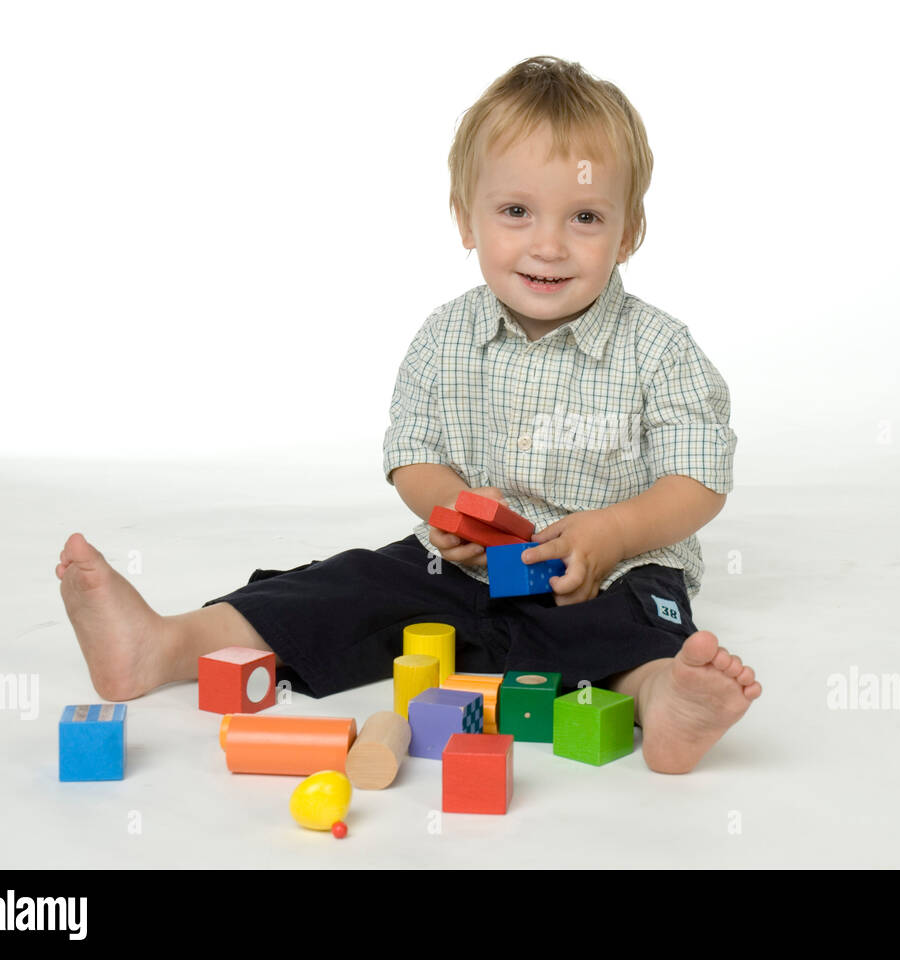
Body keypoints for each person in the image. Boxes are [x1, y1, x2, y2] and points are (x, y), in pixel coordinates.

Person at [58, 55, 761, 774]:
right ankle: (165, 644)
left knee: (628, 625)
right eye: (516, 212)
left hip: (613, 570)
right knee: (349, 583)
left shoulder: (661, 347)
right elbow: (412, 456)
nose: (548, 245)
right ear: (466, 218)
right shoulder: (444, 336)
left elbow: (697, 478)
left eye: (584, 217)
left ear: (630, 230)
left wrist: (612, 534)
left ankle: (661, 698)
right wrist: (451, 506)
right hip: (464, 566)